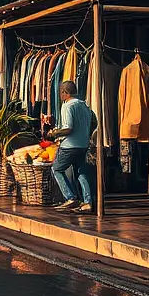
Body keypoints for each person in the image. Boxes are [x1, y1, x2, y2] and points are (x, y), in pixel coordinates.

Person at [43, 80, 96, 213]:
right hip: (83, 144)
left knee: (57, 169)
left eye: (61, 92)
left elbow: (68, 129)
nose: (60, 95)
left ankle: (70, 198)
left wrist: (53, 133)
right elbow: (94, 122)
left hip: (69, 146)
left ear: (65, 92)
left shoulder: (67, 106)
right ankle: (87, 202)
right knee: (81, 172)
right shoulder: (84, 105)